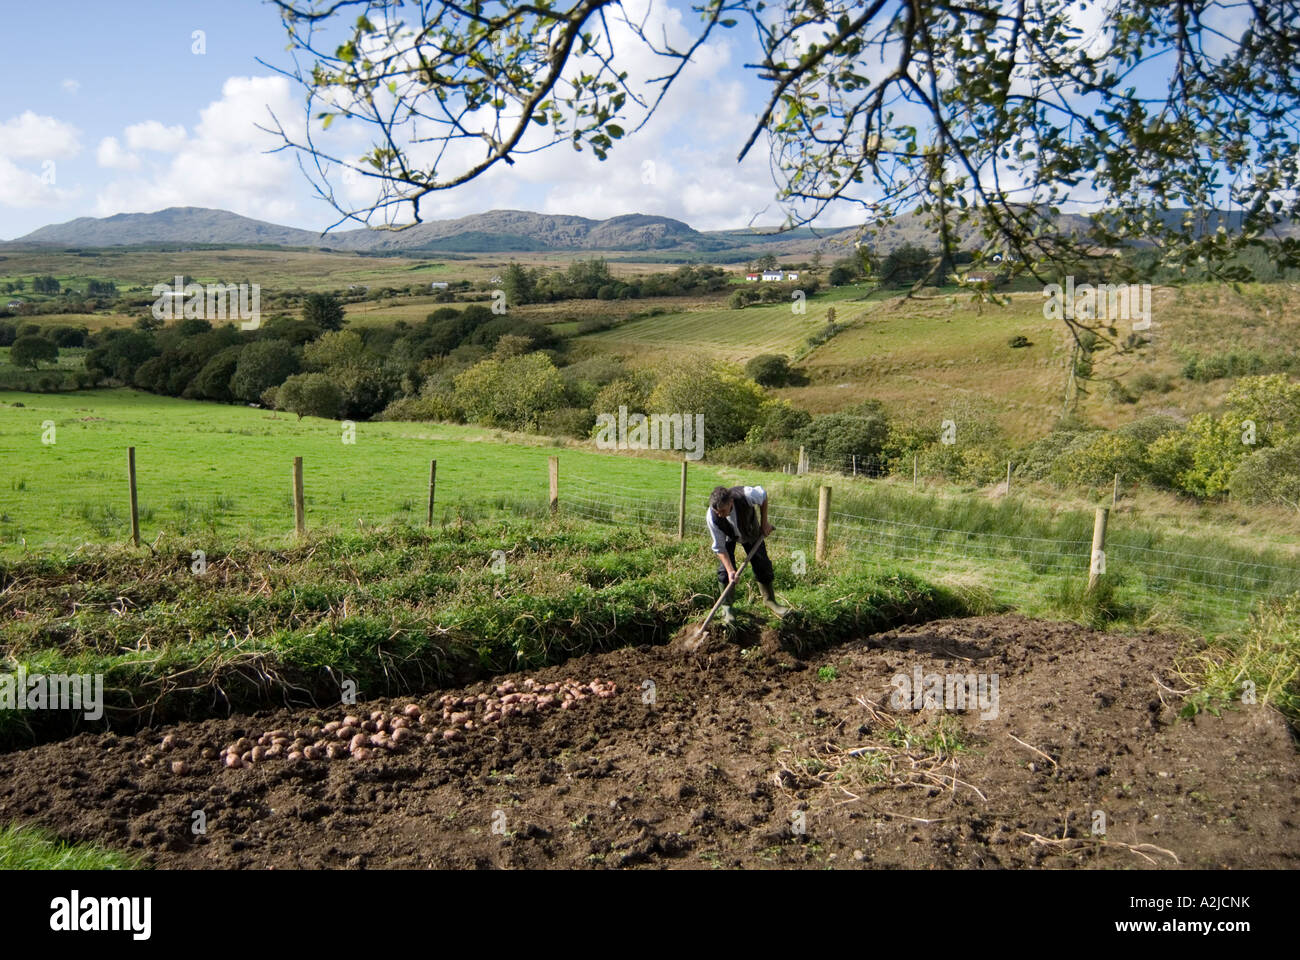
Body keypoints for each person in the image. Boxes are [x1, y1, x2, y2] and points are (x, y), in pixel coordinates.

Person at [705, 484, 790, 624]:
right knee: (724, 571)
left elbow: (763, 496)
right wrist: (731, 570)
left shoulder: (747, 495)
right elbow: (719, 548)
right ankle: (727, 608)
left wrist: (764, 524)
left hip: (750, 530)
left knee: (762, 563)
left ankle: (770, 601)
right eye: (717, 511)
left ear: (730, 502)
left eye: (722, 511)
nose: (719, 514)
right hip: (728, 536)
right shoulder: (713, 517)